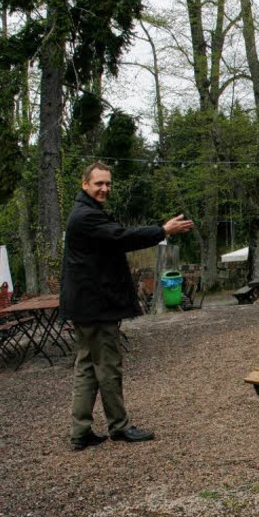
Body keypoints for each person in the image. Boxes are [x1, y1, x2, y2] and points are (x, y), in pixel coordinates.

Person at [60, 160, 193, 451]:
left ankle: (80, 431)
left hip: (86, 306)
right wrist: (162, 230)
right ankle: (119, 426)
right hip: (96, 307)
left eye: (107, 183)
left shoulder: (87, 213)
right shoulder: (86, 217)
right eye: (98, 183)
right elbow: (122, 238)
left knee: (86, 366)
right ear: (85, 184)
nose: (104, 188)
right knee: (107, 367)